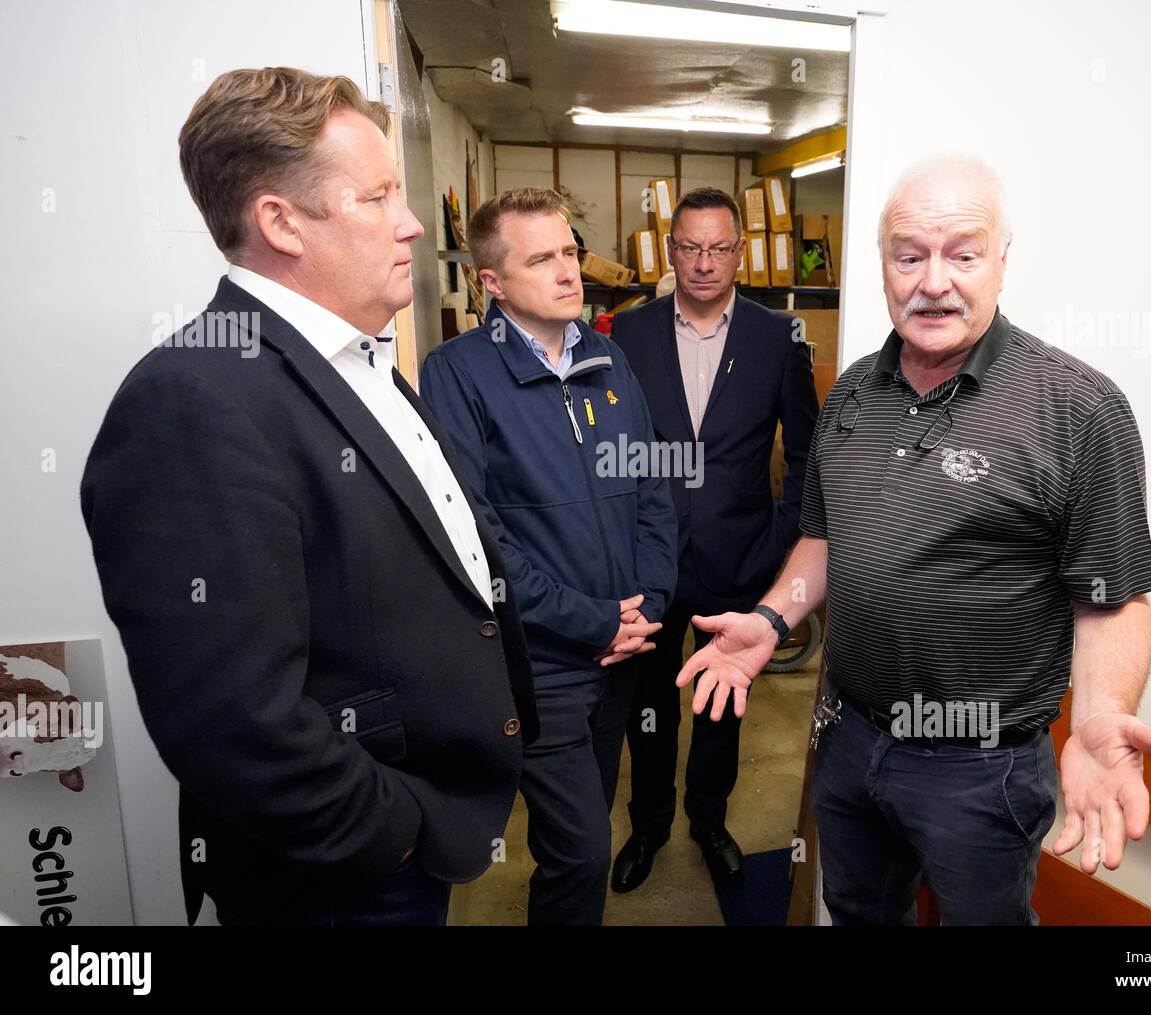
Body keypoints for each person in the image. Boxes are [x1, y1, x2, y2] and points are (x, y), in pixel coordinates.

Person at [80, 67, 537, 926]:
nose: (409, 224)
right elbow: (235, 723)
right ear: (280, 221)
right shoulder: (191, 401)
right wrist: (402, 834)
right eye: (376, 197)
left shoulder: (358, 362)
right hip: (343, 883)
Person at [676, 155, 1151, 925]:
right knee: (859, 911)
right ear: (884, 268)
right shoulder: (849, 393)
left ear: (1001, 262)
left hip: (982, 769)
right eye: (910, 256)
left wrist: (1101, 714)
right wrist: (772, 620)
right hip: (848, 736)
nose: (933, 281)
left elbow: (1111, 599)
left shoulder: (1079, 410)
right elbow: (824, 537)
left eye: (962, 254)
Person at [419, 187, 677, 925]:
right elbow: (476, 536)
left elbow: (653, 485)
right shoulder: (458, 373)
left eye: (569, 250)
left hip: (622, 647)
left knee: (587, 822)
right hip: (544, 665)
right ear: (491, 282)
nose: (570, 270)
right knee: (583, 849)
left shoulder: (608, 357)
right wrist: (591, 620)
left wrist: (647, 605)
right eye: (543, 258)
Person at [609, 188, 818, 890]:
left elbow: (807, 448)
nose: (703, 263)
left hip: (742, 559)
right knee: (651, 703)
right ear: (670, 250)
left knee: (723, 704)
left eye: (719, 248)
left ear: (741, 253)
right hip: (650, 561)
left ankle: (707, 818)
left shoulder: (776, 336)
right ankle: (647, 825)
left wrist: (782, 537)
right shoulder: (627, 335)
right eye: (690, 247)